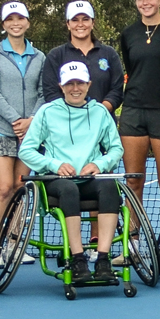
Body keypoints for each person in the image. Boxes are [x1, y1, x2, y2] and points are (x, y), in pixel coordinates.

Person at [17, 59, 126, 283]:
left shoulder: (100, 112)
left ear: (88, 84)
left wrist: (99, 165)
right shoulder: (47, 112)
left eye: (80, 83)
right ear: (61, 85)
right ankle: (78, 259)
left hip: (90, 178)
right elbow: (26, 151)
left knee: (109, 187)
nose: (75, 88)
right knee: (68, 190)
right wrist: (54, 165)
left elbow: (116, 148)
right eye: (69, 84)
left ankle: (103, 258)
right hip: (57, 180)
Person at [116, 0, 160, 218]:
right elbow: (131, 68)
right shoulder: (129, 34)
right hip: (133, 111)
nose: (145, 2)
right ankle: (131, 246)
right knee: (133, 183)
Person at [0, 1, 45, 243]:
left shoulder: (39, 57)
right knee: (4, 188)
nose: (15, 23)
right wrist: (16, 120)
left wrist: (30, 121)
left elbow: (43, 92)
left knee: (20, 188)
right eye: (10, 19)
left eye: (20, 18)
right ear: (3, 24)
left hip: (30, 132)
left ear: (28, 22)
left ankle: (14, 245)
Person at [40, 0, 123, 110]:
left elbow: (117, 89)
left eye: (85, 19)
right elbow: (50, 92)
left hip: (102, 121)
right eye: (75, 20)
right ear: (68, 24)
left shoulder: (109, 53)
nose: (80, 24)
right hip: (67, 123)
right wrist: (74, 114)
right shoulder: (56, 56)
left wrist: (100, 111)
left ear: (92, 23)